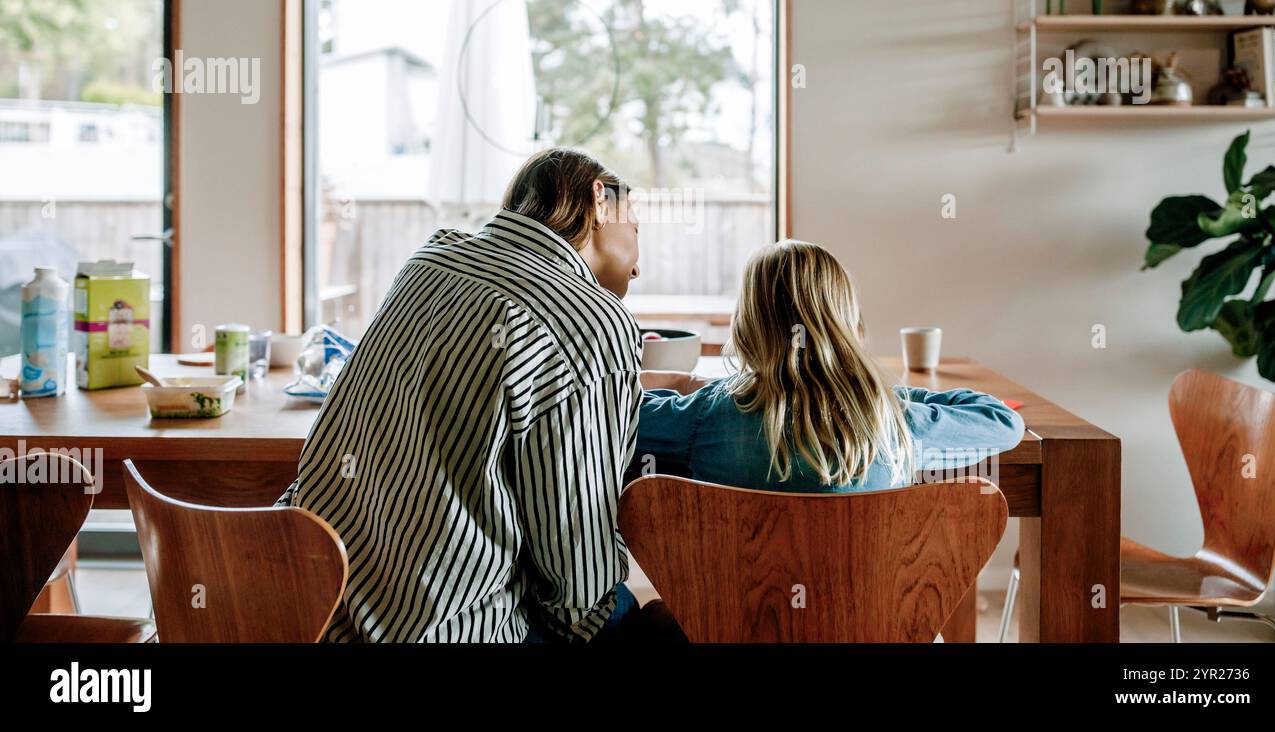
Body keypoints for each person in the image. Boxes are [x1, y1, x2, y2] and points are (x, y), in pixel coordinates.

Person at [280, 148, 645, 642]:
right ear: (600, 202)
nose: (638, 267)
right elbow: (574, 562)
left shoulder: (429, 258)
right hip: (441, 629)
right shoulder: (592, 320)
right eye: (637, 230)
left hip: (303, 602)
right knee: (628, 610)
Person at [636, 240, 1024, 492]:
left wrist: (688, 386)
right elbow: (1003, 422)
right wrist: (882, 393)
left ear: (748, 326)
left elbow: (605, 413)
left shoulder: (703, 418)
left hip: (727, 619)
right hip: (871, 619)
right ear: (847, 325)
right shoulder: (896, 422)